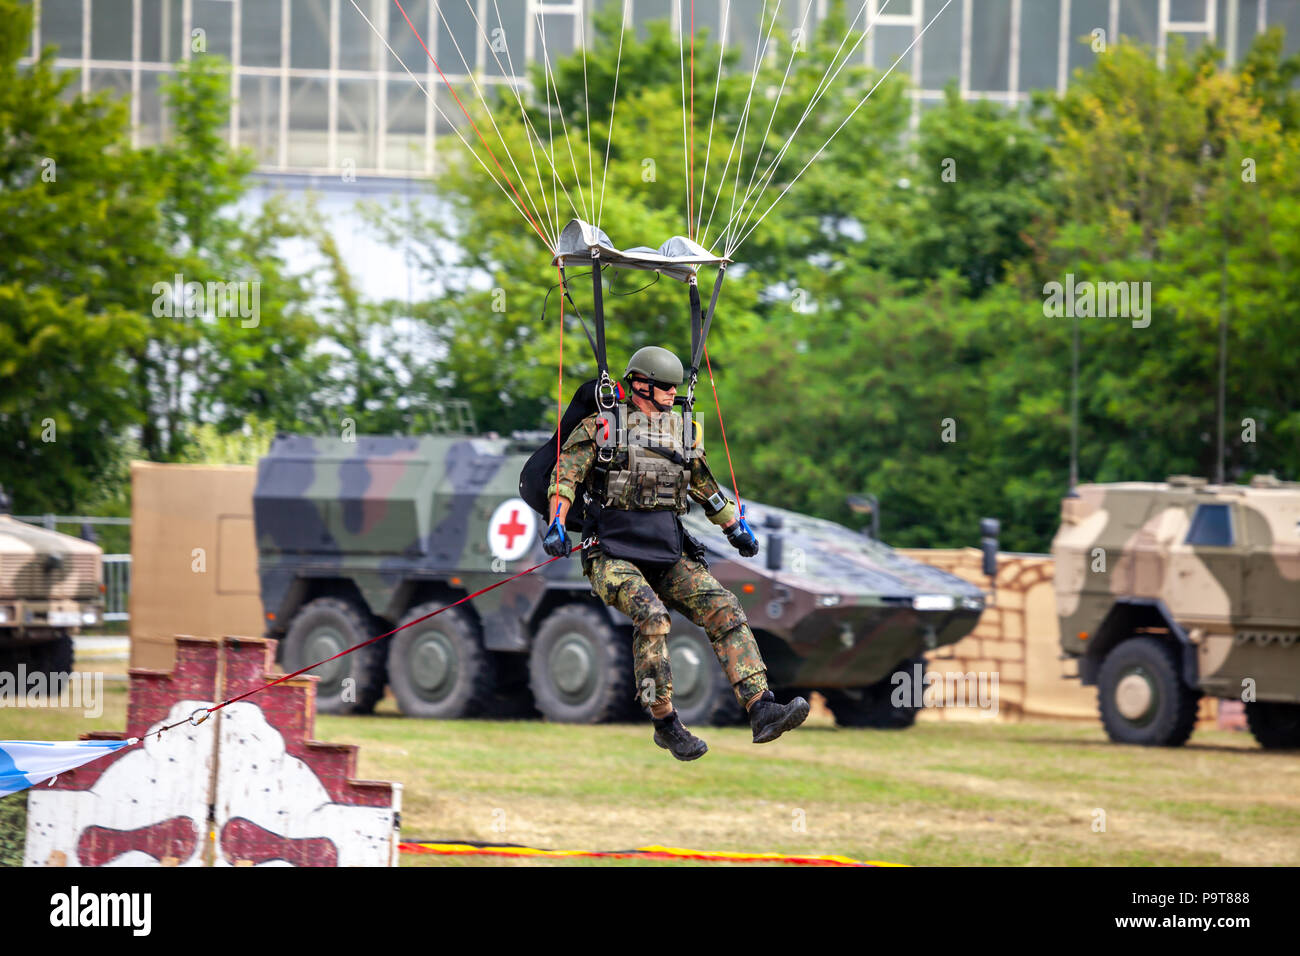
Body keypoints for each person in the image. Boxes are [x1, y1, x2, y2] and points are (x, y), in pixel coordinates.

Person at [542, 346, 809, 760]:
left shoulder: (683, 431)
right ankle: (666, 722)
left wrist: (735, 527)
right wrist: (557, 522)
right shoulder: (602, 427)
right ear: (641, 385)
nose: (672, 393)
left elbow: (706, 488)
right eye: (665, 386)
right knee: (652, 615)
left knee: (724, 606)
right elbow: (565, 476)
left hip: (664, 551)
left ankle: (762, 708)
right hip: (611, 554)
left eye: (675, 386)